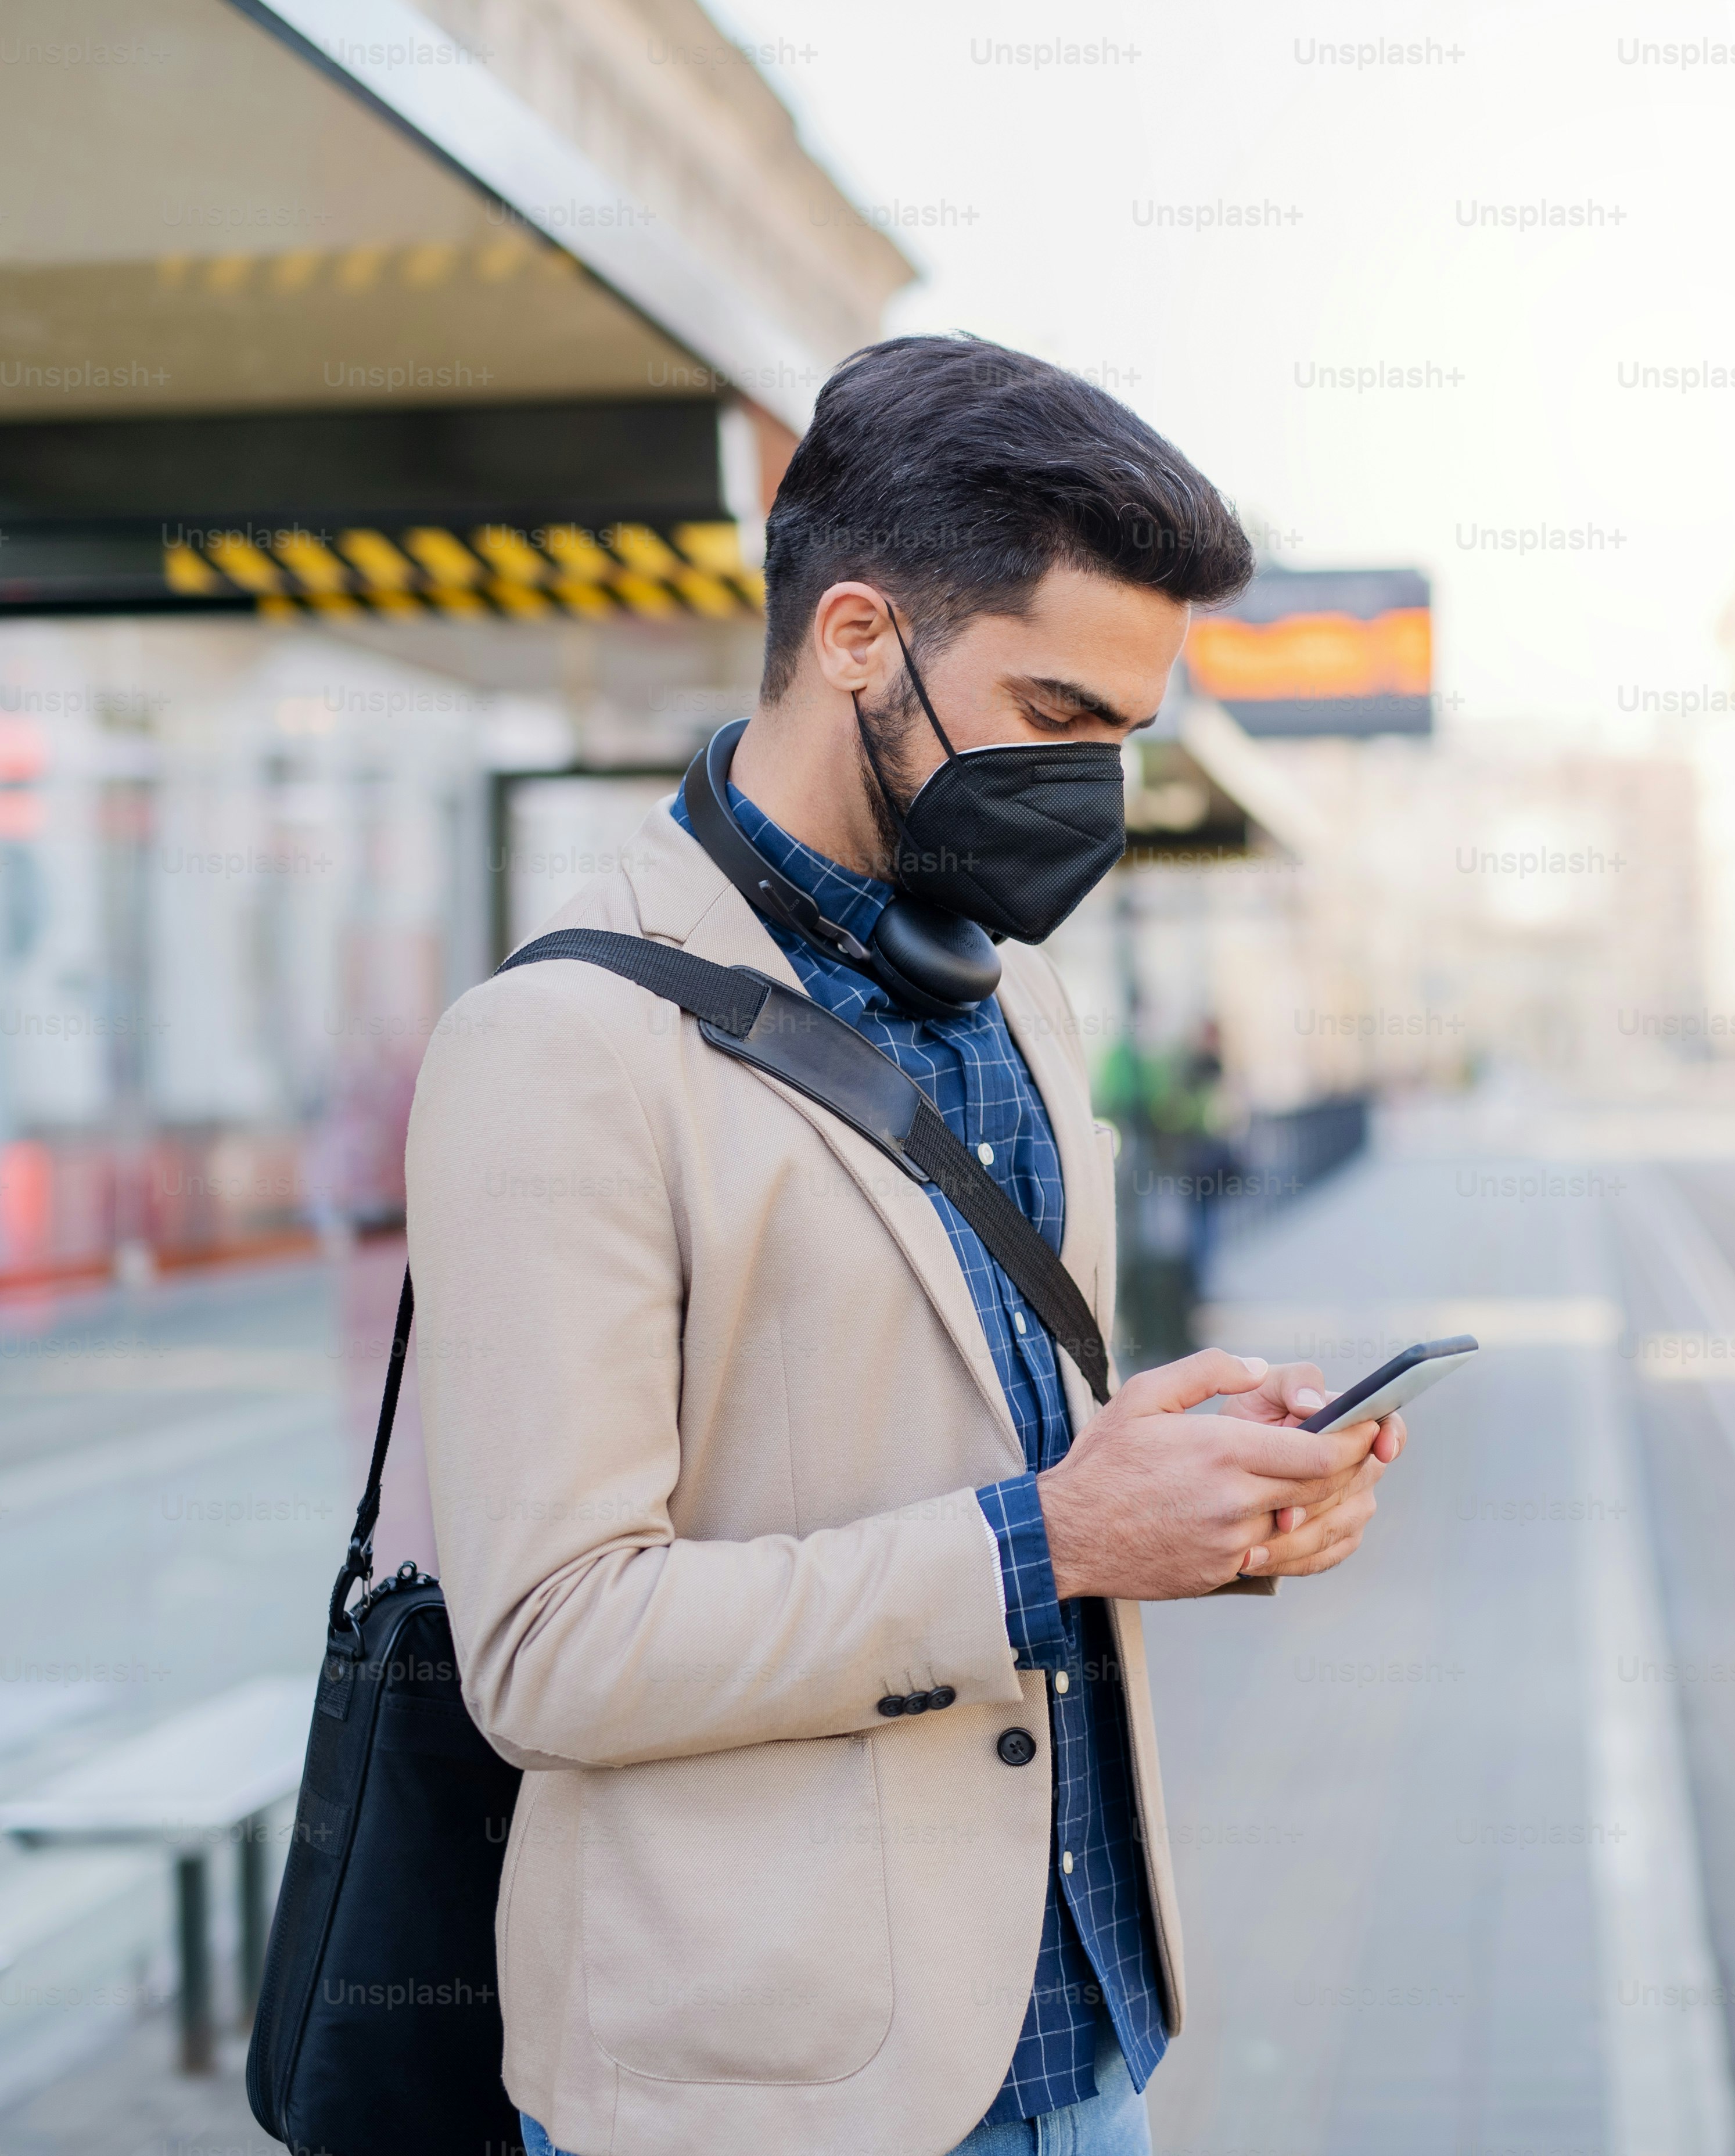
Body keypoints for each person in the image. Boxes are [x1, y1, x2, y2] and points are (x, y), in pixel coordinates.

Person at [405, 335, 1408, 2156]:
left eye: (1125, 732)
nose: (1091, 785)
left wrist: (1212, 1496)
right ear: (857, 637)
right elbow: (549, 1648)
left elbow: (988, 1474)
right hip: (772, 2096)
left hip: (1084, 2027)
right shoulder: (558, 1047)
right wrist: (1057, 1541)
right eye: (1054, 717)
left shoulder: (1012, 1000)